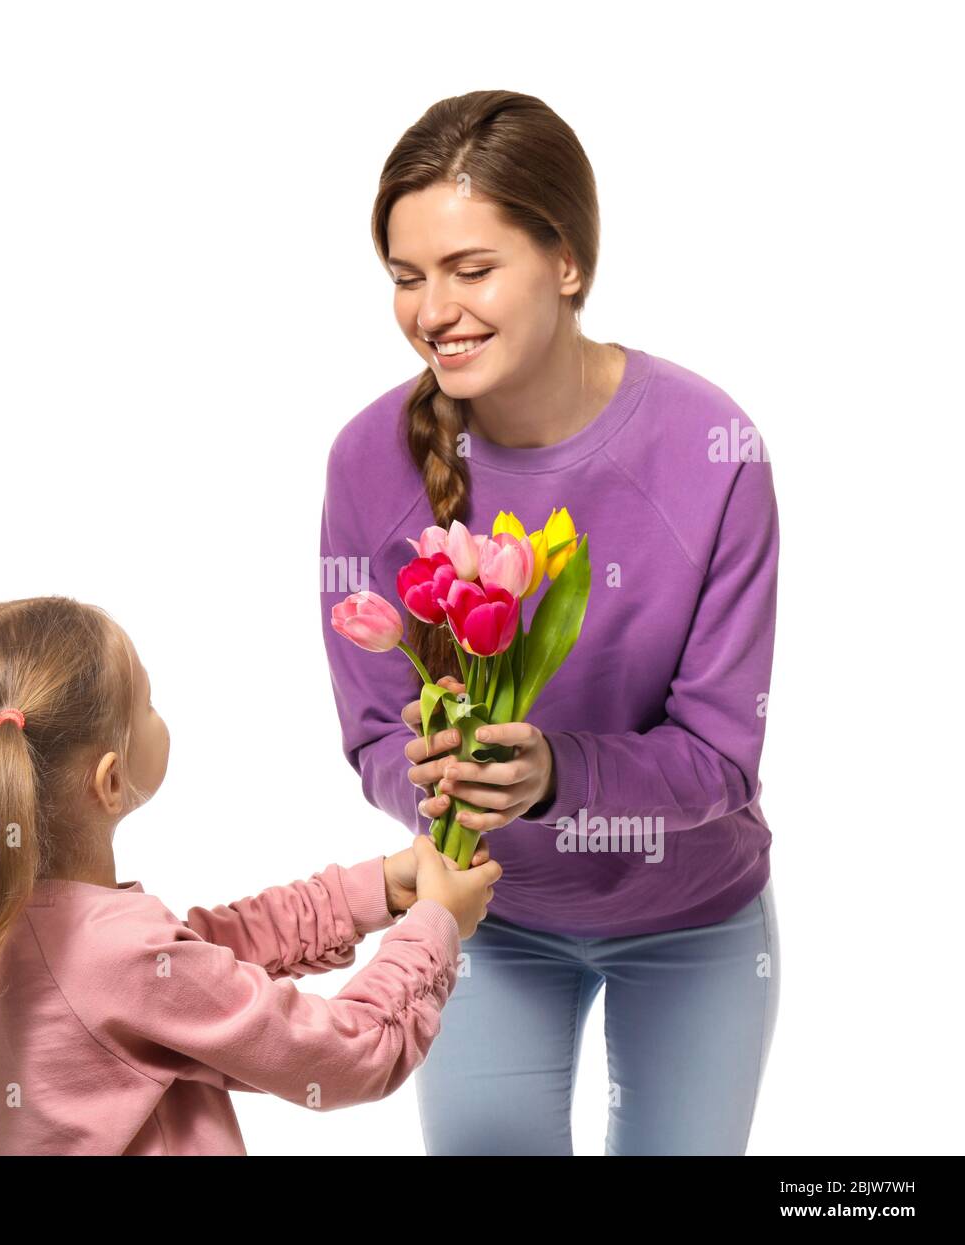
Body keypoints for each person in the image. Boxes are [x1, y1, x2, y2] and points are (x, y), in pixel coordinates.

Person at [319, 90, 780, 1155]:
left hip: (695, 915)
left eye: (471, 269)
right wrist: (435, 783)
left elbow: (722, 758)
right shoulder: (364, 461)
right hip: (486, 917)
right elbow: (372, 737)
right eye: (406, 277)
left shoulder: (713, 449)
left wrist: (558, 773)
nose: (433, 310)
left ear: (566, 263)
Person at [0, 595, 501, 1155]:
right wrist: (436, 929)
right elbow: (347, 1054)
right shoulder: (117, 955)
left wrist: (371, 889)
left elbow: (194, 963)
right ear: (109, 779)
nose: (160, 715)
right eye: (147, 704)